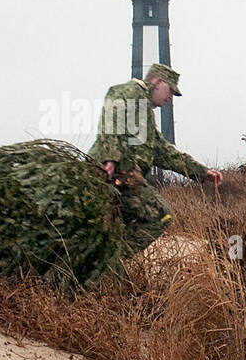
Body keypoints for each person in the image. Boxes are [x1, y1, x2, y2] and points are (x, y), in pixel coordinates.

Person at [87, 63, 222, 256]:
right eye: (170, 91)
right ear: (158, 82)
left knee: (108, 228)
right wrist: (110, 158)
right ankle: (111, 261)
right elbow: (111, 114)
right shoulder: (130, 91)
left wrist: (201, 172)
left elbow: (163, 151)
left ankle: (104, 263)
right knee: (159, 214)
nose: (170, 98)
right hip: (113, 176)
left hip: (122, 181)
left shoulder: (145, 113)